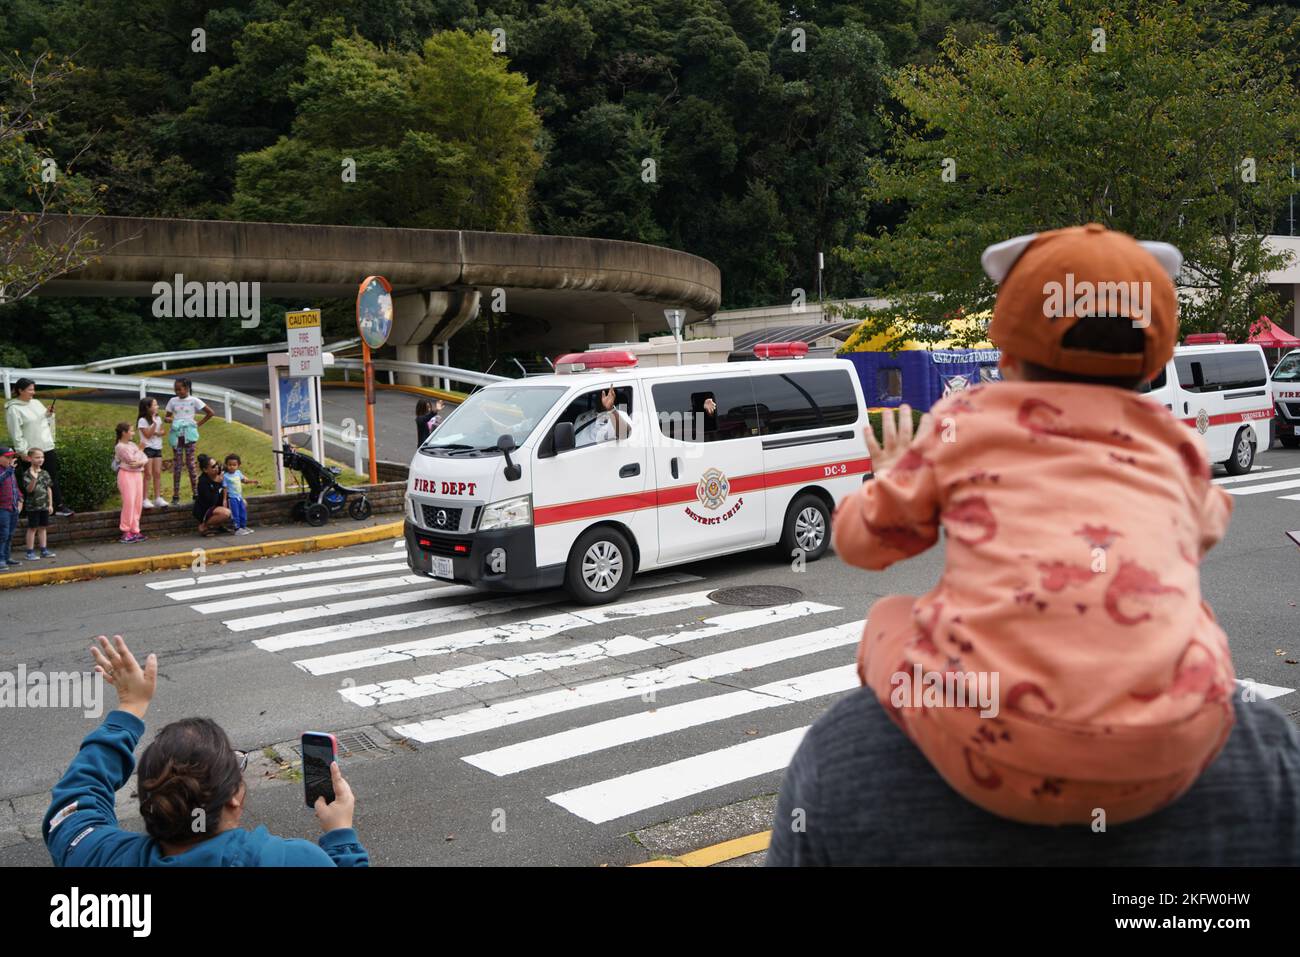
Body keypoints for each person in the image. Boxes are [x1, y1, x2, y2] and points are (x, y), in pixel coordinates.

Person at [832, 224, 1237, 827]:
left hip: (990, 740)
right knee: (1196, 616)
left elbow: (865, 545)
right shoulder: (1174, 444)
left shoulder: (965, 419)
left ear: (1006, 352)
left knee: (886, 619)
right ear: (1156, 357)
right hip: (1174, 748)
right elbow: (1204, 529)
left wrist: (889, 481)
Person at [42, 634, 369, 866]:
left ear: (149, 801)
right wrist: (341, 835)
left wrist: (130, 709)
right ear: (234, 797)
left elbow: (73, 802)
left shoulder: (99, 856)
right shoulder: (292, 860)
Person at [5, 377, 73, 516]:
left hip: (46, 446)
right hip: (30, 452)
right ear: (20, 390)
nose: (33, 392)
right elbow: (16, 433)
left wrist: (48, 414)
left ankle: (58, 507)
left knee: (52, 477)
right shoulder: (13, 409)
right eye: (30, 389)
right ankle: (31, 511)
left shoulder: (36, 403)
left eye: (34, 389)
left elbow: (44, 422)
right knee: (32, 480)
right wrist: (23, 452)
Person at [163, 378, 213, 505]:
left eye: (180, 389)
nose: (177, 391)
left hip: (189, 436)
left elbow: (210, 412)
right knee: (178, 465)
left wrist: (198, 424)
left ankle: (196, 493)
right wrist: (169, 419)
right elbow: (167, 416)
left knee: (191, 464)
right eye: (176, 389)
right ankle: (176, 495)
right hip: (177, 435)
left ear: (187, 388)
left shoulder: (194, 401)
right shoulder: (172, 401)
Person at [113, 422, 149, 544]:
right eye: (131, 431)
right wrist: (141, 451)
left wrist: (140, 460)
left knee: (137, 503)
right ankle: (126, 531)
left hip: (137, 475)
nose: (133, 433)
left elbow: (144, 458)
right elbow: (131, 460)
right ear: (124, 432)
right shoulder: (120, 447)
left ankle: (135, 530)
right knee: (129, 503)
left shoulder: (132, 445)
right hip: (126, 476)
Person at [21, 447, 55, 560]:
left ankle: (44, 550)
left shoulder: (45, 473)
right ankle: (29, 552)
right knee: (32, 528)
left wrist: (50, 504)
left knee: (43, 527)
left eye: (42, 457)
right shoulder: (27, 474)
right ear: (30, 458)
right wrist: (34, 479)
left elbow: (49, 488)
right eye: (37, 457)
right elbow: (29, 490)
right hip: (33, 506)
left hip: (44, 505)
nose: (40, 459)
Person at [136, 397, 168, 509]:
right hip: (147, 448)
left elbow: (163, 431)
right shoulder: (142, 420)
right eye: (154, 405)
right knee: (148, 474)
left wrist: (159, 433)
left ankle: (158, 498)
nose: (157, 407)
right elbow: (148, 435)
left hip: (157, 447)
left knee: (157, 473)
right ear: (147, 407)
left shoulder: (158, 418)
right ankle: (144, 499)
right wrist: (154, 424)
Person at [193, 454, 232, 536]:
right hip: (205, 509)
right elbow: (211, 501)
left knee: (242, 503)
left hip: (218, 505)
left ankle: (219, 526)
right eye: (213, 466)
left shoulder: (220, 473)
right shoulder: (203, 482)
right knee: (226, 513)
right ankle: (203, 526)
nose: (217, 467)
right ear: (205, 470)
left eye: (217, 464)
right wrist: (216, 483)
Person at [222, 453, 259, 535]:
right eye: (229, 465)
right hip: (232, 498)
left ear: (238, 465)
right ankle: (237, 529)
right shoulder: (226, 476)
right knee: (235, 514)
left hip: (239, 497)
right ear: (226, 465)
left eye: (234, 465)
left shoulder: (238, 473)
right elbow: (225, 488)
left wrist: (252, 481)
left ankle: (243, 526)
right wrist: (224, 500)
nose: (232, 467)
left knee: (243, 512)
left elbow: (244, 481)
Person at [0, 446, 21, 570]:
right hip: (2, 508)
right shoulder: (5, 471)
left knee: (10, 534)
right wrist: (9, 470)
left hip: (12, 507)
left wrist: (20, 497)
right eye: (7, 457)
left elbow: (14, 486)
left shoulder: (9, 470)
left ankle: (7, 557)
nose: (10, 459)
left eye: (11, 456)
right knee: (3, 534)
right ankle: (1, 559)